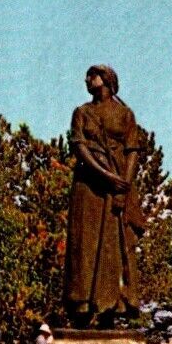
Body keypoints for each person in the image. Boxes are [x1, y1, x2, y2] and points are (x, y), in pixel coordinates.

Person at [64, 65, 145, 329]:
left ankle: (111, 307)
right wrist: (106, 177)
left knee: (113, 247)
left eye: (92, 75)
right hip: (89, 187)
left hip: (117, 188)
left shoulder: (125, 115)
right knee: (84, 245)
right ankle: (82, 306)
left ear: (106, 80)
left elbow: (133, 149)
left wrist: (124, 184)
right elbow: (79, 147)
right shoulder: (82, 113)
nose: (87, 79)